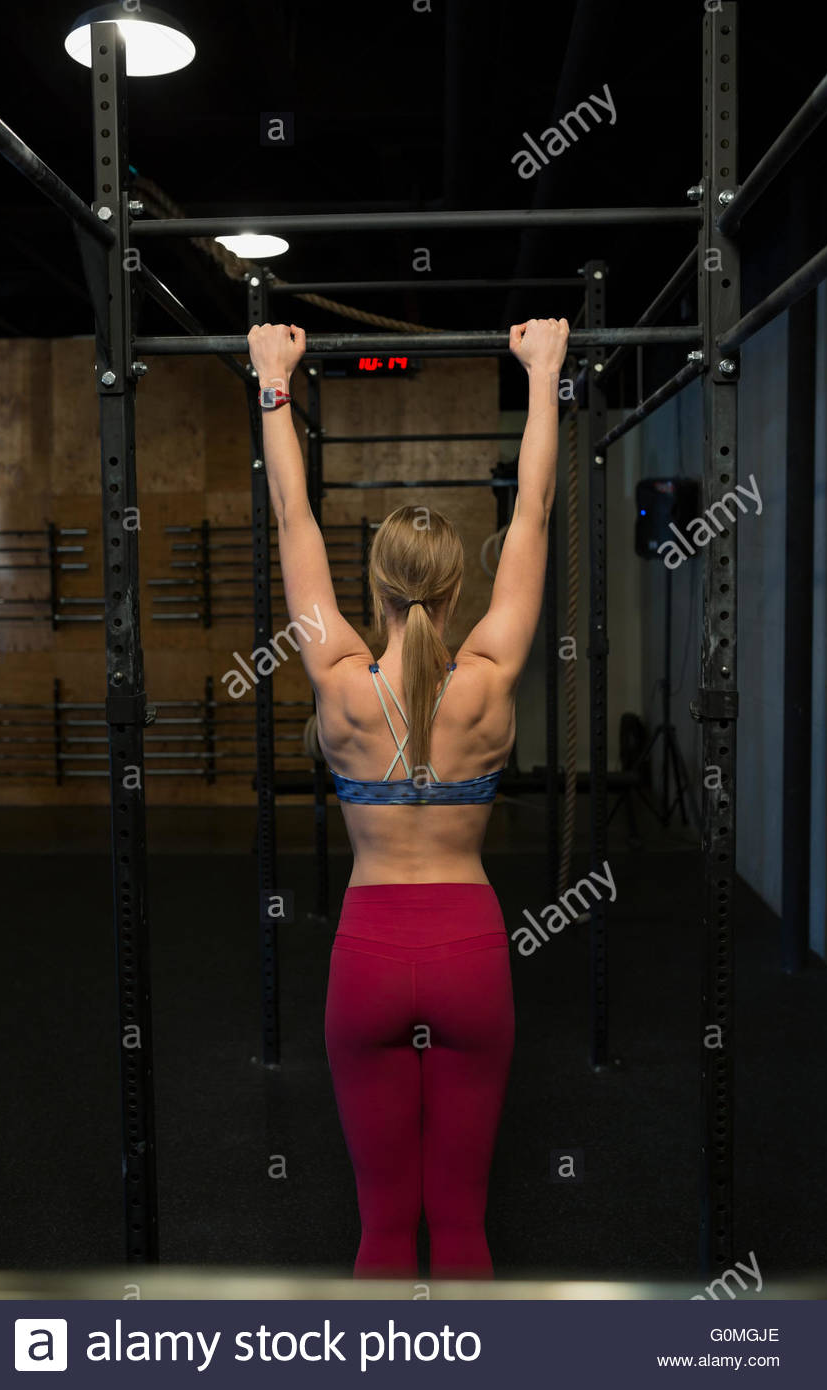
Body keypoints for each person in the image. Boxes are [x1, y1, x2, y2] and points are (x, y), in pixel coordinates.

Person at [247, 315, 568, 1280]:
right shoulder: (491, 678)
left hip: (369, 958)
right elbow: (537, 513)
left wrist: (274, 385)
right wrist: (544, 373)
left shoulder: (340, 682)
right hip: (471, 952)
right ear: (457, 586)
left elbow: (292, 519)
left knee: (383, 1231)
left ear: (372, 588)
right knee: (462, 1228)